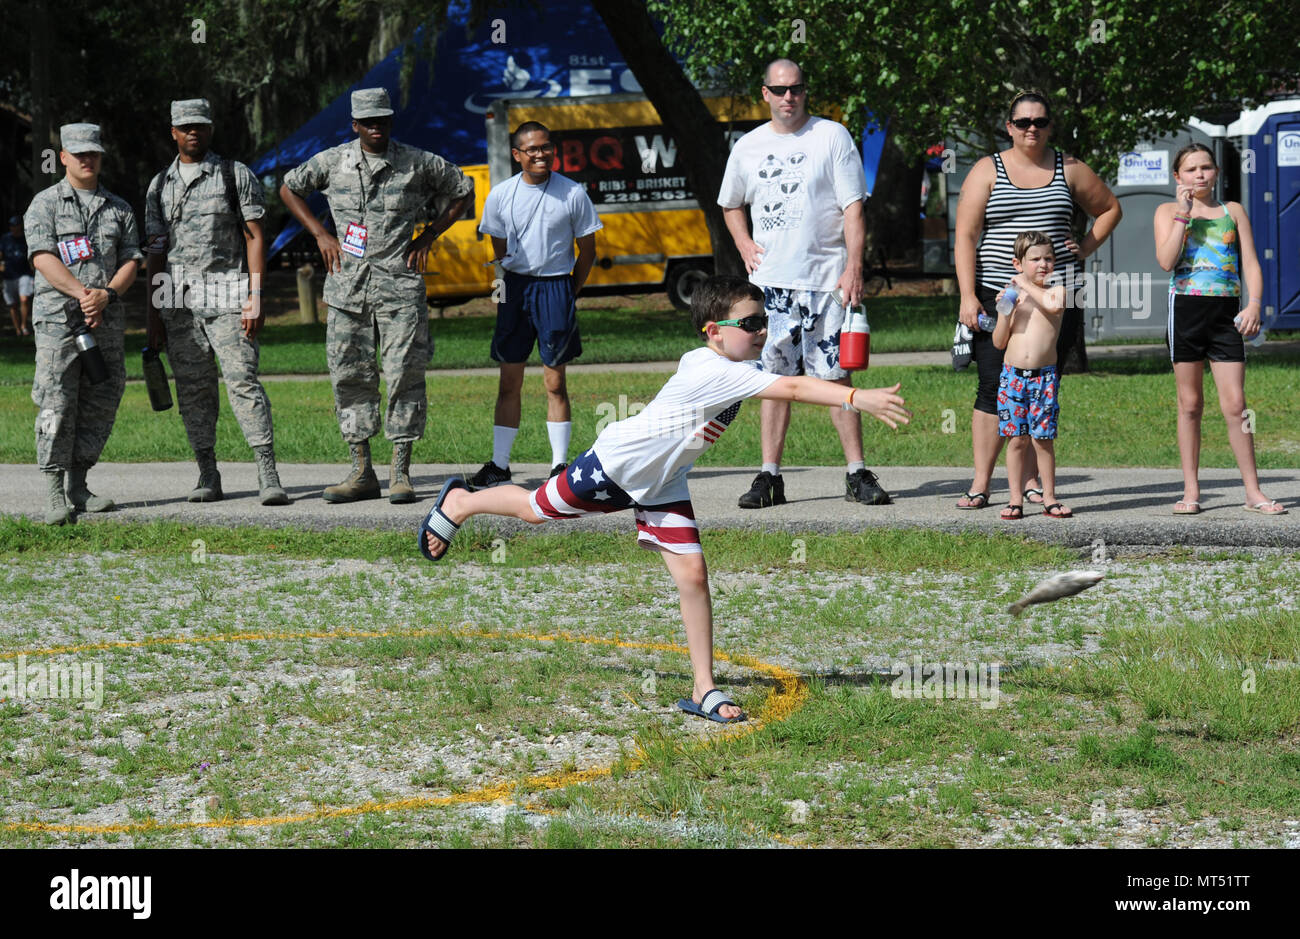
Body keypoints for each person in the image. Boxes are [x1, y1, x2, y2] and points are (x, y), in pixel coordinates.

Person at [417, 275, 910, 722]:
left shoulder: (729, 362)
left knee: (693, 575)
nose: (762, 330)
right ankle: (461, 502)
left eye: (766, 320)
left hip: (664, 480)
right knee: (534, 511)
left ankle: (704, 688)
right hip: (616, 465)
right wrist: (855, 396)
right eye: (751, 322)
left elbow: (782, 383)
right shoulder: (718, 370)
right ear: (714, 330)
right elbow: (794, 388)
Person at [280, 88, 474, 503]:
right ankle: (361, 471)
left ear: (390, 121)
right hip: (347, 288)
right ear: (355, 124)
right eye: (367, 121)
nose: (375, 127)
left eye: (382, 120)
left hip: (399, 288)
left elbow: (462, 189)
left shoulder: (418, 162)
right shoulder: (333, 161)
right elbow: (289, 188)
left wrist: (429, 236)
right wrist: (320, 234)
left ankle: (400, 471)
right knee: (350, 375)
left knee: (404, 373)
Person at [717, 58, 891, 509]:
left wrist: (854, 267)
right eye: (779, 90)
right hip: (772, 284)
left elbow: (854, 208)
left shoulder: (831, 136)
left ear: (804, 91)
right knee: (774, 380)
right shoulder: (748, 146)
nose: (788, 98)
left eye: (795, 89)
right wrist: (743, 244)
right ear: (765, 94)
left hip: (826, 279)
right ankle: (769, 477)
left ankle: (856, 472)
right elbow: (730, 204)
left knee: (836, 377)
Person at [953, 90, 1121, 511]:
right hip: (1000, 296)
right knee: (994, 387)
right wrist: (968, 295)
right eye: (1023, 122)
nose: (1032, 128)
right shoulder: (986, 170)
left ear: (1049, 126)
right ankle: (981, 483)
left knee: (1040, 387)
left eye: (1040, 122)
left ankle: (1031, 484)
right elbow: (966, 237)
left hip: (1053, 302)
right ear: (1009, 126)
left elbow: (1110, 209)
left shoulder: (1070, 168)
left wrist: (1083, 247)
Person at [145, 98, 287, 505]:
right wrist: (153, 314)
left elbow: (255, 236)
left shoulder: (234, 174)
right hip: (178, 305)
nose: (194, 132)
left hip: (229, 297)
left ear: (210, 129)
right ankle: (207, 472)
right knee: (193, 391)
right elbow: (155, 252)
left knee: (244, 382)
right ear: (173, 132)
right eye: (186, 126)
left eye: (201, 125)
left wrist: (256, 296)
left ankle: (267, 471)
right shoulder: (159, 186)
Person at [468, 120, 601, 489]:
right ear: (517, 155)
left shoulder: (572, 193)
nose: (540, 154)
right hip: (515, 287)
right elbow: (496, 243)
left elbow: (587, 249)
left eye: (546, 147)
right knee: (509, 379)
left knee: (554, 381)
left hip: (556, 285)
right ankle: (499, 464)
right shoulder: (501, 194)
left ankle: (560, 466)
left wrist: (570, 288)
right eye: (532, 149)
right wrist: (507, 283)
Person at [1154, 143, 1285, 516]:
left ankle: (1253, 490)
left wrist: (1255, 303)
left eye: (1206, 168)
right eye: (1191, 169)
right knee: (1190, 404)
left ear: (1216, 173)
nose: (1200, 175)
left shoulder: (1234, 211)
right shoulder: (1168, 211)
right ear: (1177, 177)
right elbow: (1166, 261)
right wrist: (1183, 214)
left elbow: (1251, 263)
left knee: (1236, 405)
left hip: (1226, 313)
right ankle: (1191, 490)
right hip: (1185, 309)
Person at [25, 123, 142, 524]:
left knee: (102, 399)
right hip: (60, 323)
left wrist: (105, 295)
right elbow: (42, 257)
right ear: (63, 158)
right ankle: (54, 491)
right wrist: (83, 294)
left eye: (93, 152)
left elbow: (132, 260)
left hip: (105, 322)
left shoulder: (119, 208)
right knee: (56, 400)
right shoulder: (45, 204)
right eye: (78, 154)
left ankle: (79, 483)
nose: (87, 159)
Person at [991, 232, 1070, 519]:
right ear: (1018, 263)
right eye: (1035, 259)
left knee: (1042, 439)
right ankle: (1015, 499)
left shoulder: (1057, 291)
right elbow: (999, 342)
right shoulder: (1014, 296)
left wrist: (1024, 283)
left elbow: (1052, 306)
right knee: (1016, 439)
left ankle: (1049, 497)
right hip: (1013, 377)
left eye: (1048, 258)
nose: (1043, 264)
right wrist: (1004, 311)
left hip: (1043, 379)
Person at [2, 216, 34, 336]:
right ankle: (17, 330)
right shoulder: (5, 239)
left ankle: (24, 325)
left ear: (20, 225)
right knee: (12, 304)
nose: (14, 228)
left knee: (24, 299)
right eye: (12, 225)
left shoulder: (26, 238)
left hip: (24, 273)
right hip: (9, 275)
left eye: (16, 225)